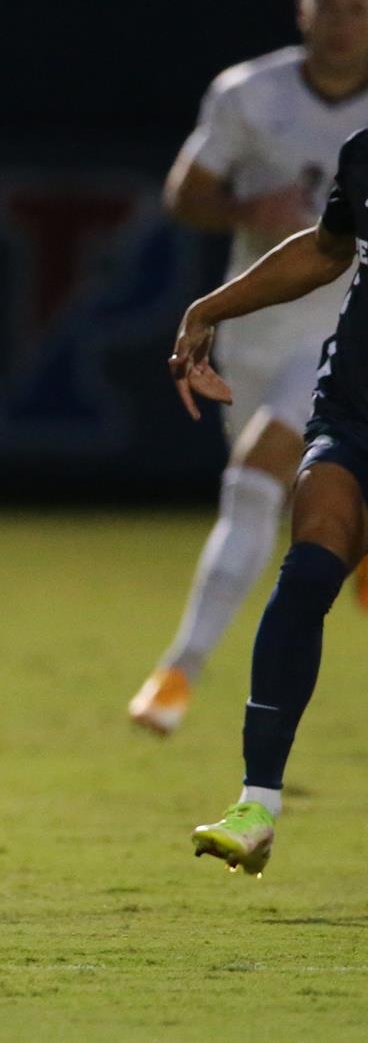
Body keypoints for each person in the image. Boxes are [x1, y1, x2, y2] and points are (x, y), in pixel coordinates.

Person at [130, 0, 368, 736]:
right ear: (302, 6)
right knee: (275, 494)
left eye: (358, 10)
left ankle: (177, 672)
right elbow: (183, 193)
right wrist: (242, 212)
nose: (340, 24)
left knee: (261, 472)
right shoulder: (247, 93)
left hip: (342, 335)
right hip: (253, 329)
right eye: (327, 6)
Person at [168, 118, 368, 875]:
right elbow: (328, 248)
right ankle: (257, 804)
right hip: (354, 415)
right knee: (310, 568)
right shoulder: (365, 151)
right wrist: (210, 308)